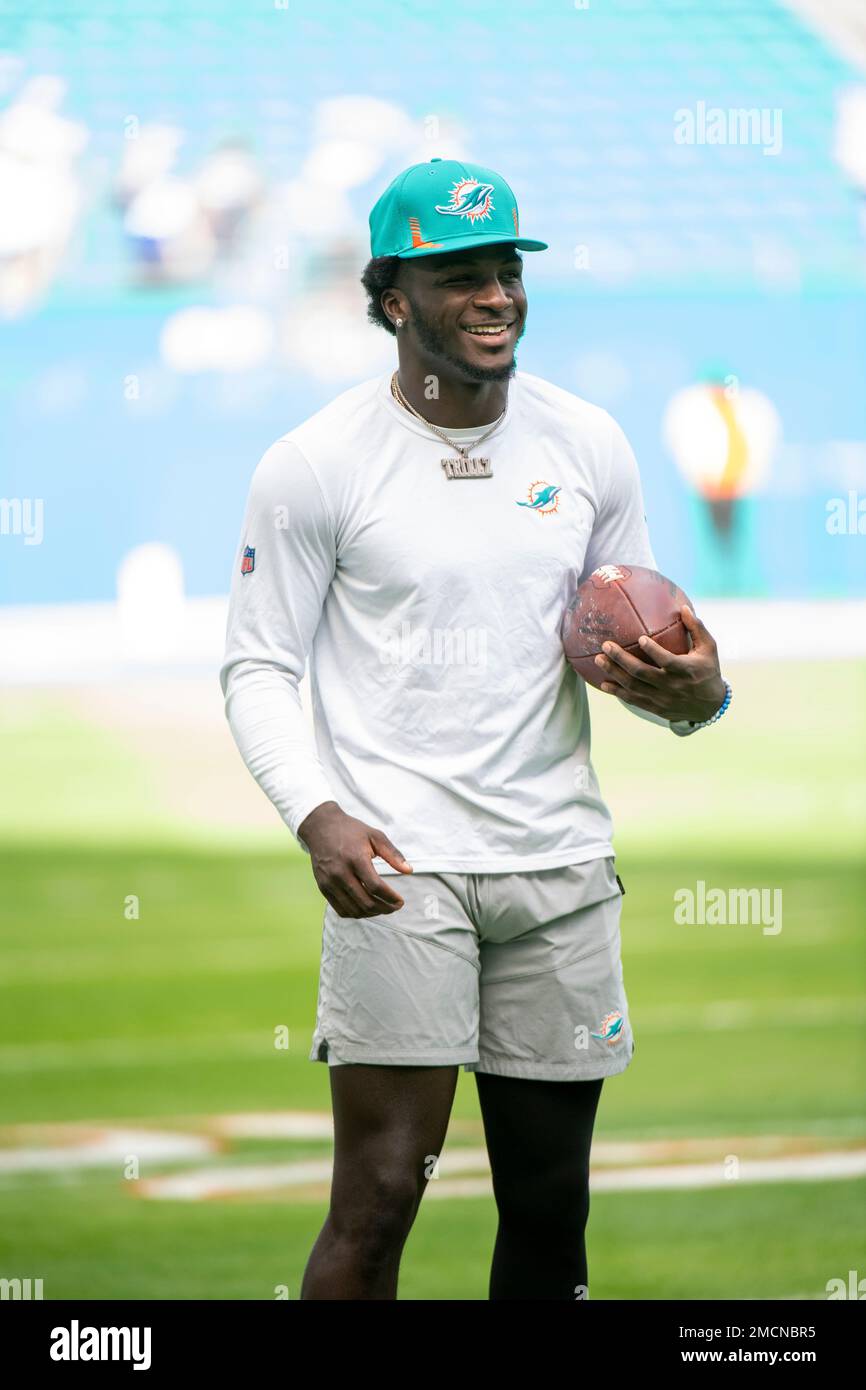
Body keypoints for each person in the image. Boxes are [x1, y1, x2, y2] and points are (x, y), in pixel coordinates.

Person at [219, 158, 731, 1301]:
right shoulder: (314, 463)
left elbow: (639, 636)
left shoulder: (587, 442)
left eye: (506, 269)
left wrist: (698, 697)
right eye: (461, 275)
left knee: (551, 1205)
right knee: (381, 1196)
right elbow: (256, 663)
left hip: (557, 864)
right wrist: (315, 813)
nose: (496, 294)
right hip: (401, 872)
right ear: (392, 296)